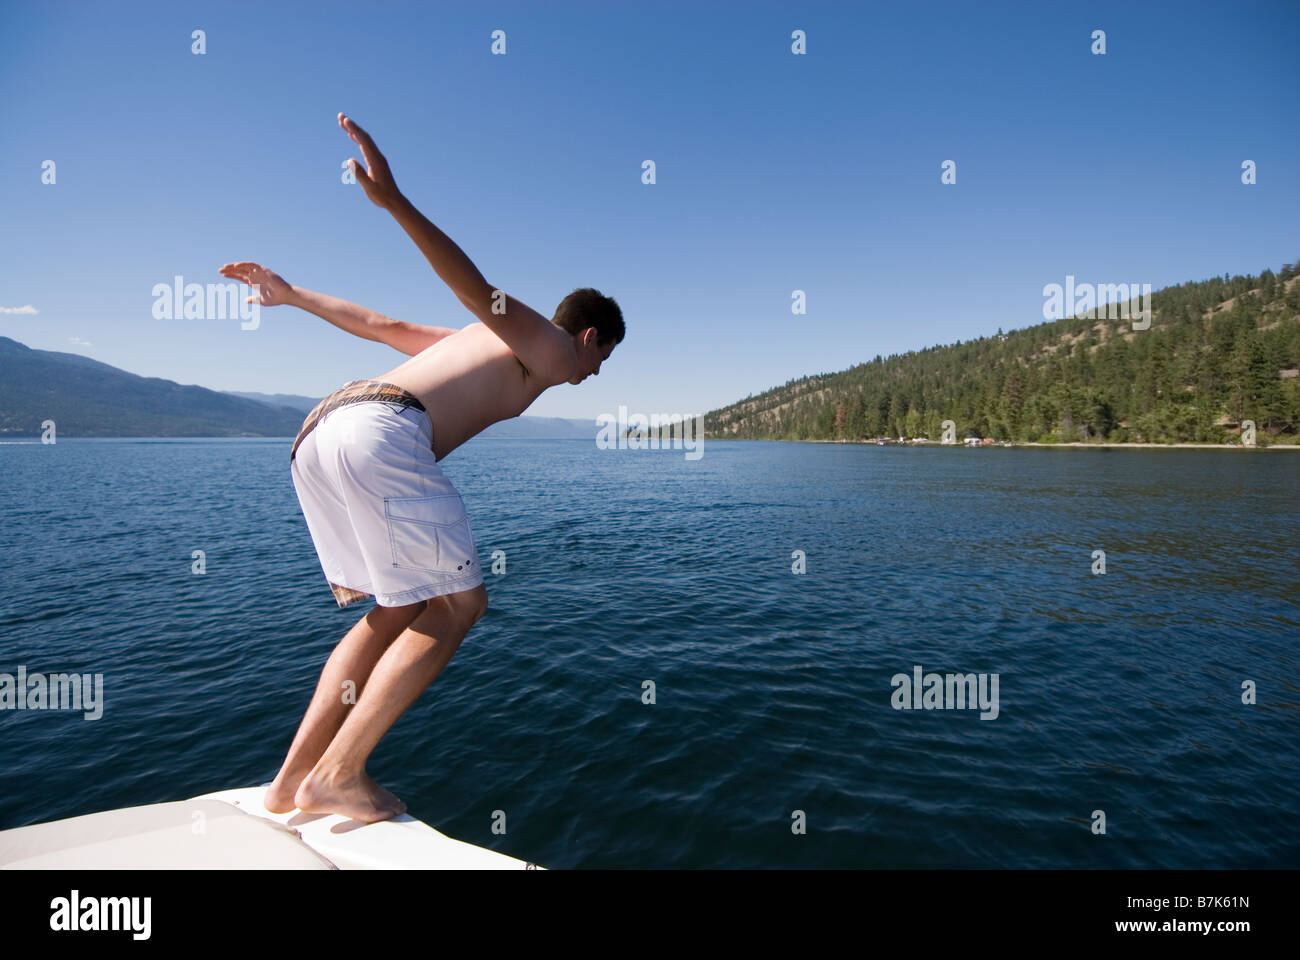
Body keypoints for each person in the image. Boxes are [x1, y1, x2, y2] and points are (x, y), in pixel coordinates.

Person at [219, 114, 624, 823]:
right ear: (588, 337)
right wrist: (396, 203)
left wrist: (292, 295)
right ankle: (338, 775)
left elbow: (379, 326)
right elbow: (477, 287)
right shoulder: (556, 351)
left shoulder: (482, 344)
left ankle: (289, 784)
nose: (594, 374)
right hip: (381, 431)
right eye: (603, 359)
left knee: (397, 610)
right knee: (461, 605)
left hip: (324, 430)